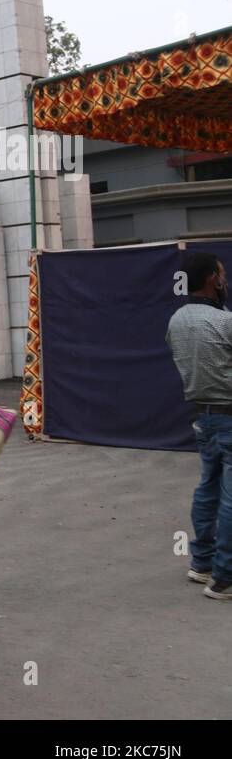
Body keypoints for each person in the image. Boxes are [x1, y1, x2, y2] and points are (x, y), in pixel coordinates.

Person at [166, 252, 232, 601]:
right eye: (222, 275)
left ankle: (201, 563)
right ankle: (225, 577)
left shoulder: (177, 320)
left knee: (208, 488)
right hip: (229, 415)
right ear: (211, 279)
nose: (225, 280)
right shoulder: (225, 322)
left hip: (203, 416)